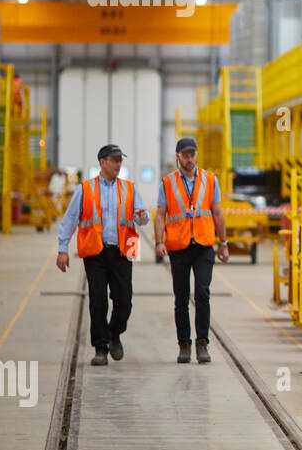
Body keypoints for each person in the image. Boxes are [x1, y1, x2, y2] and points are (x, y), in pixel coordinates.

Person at [56, 144, 149, 366]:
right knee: (98, 301)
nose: (118, 164)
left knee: (124, 301)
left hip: (124, 251)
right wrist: (62, 249)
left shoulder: (129, 188)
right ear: (103, 162)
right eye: (114, 160)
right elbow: (69, 220)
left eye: (120, 160)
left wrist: (143, 216)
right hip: (95, 252)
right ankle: (100, 347)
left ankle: (114, 333)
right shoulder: (85, 189)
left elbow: (141, 219)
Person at [154, 137, 228, 364]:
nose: (189, 158)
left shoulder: (209, 179)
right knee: (181, 298)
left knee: (203, 294)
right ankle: (184, 344)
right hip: (178, 247)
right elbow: (160, 214)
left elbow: (217, 212)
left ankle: (202, 343)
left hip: (204, 245)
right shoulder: (167, 183)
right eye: (185, 155)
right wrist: (159, 241)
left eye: (192, 154)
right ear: (178, 156)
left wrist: (223, 244)